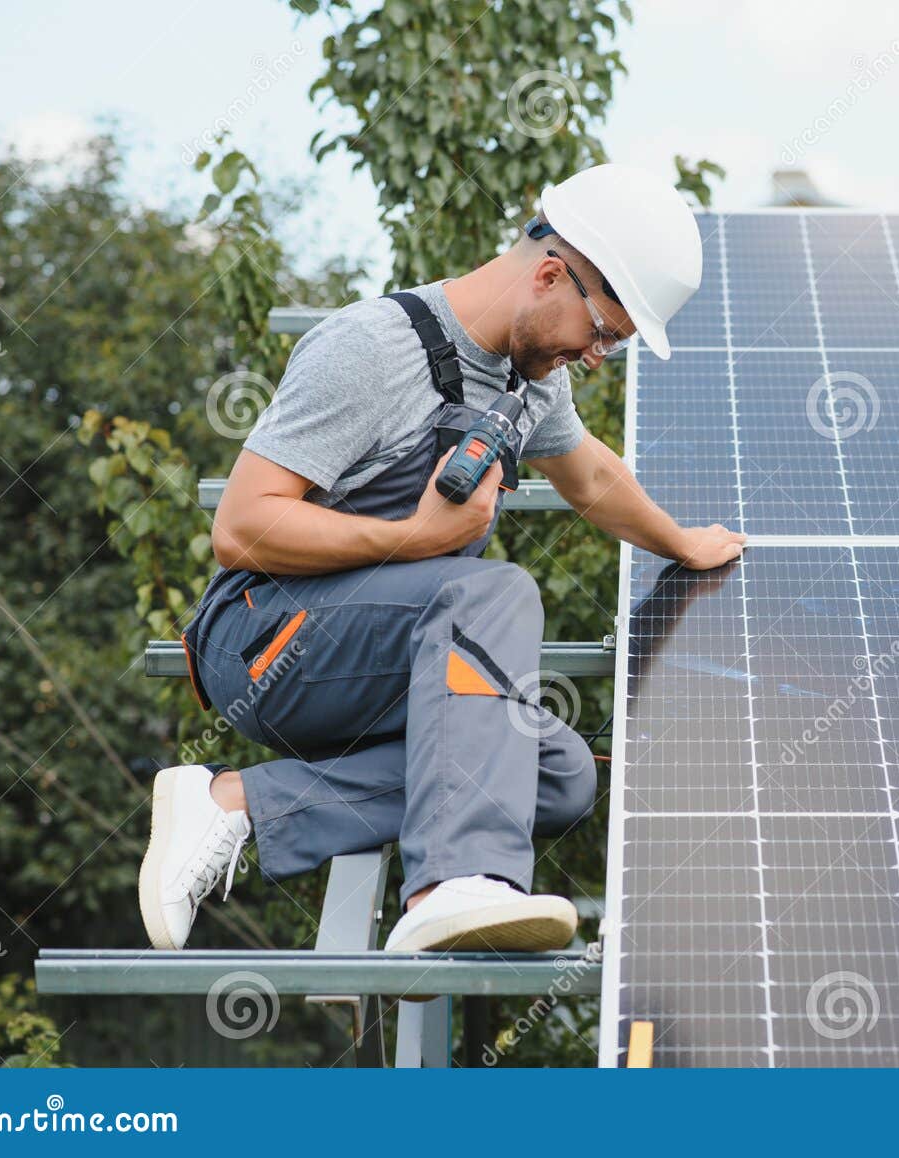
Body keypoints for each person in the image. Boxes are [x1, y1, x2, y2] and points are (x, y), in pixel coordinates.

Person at [138, 164, 744, 954]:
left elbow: (591, 477)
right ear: (551, 275)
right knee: (490, 591)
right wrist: (415, 539)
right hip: (263, 646)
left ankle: (236, 803)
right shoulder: (371, 349)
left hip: (378, 667)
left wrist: (682, 542)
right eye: (600, 333)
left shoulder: (528, 380)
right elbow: (242, 528)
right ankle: (452, 882)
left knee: (559, 773)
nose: (595, 357)